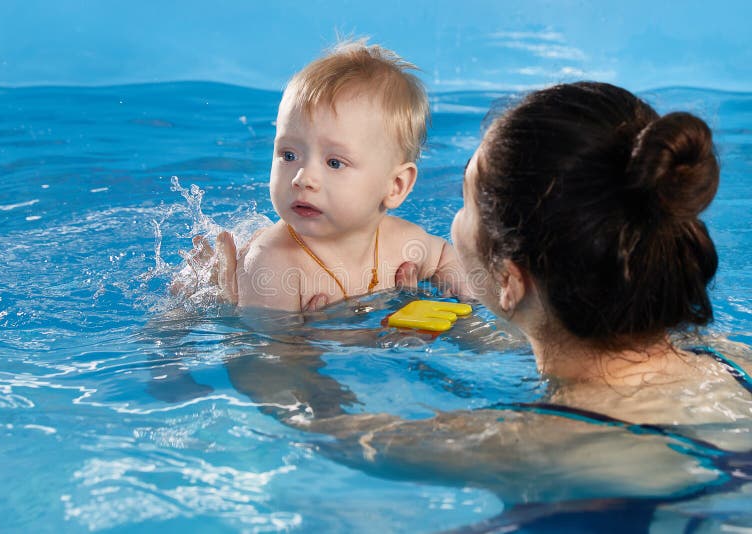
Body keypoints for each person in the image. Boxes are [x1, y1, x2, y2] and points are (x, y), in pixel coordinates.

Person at [221, 82, 752, 508]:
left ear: (510, 282)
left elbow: (327, 429)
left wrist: (226, 326)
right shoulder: (732, 359)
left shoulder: (528, 444)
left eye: (466, 202)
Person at [180, 40, 469, 311]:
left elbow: (446, 258)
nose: (303, 178)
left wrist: (462, 289)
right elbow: (266, 361)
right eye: (288, 155)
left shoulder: (403, 243)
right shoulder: (274, 264)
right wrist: (317, 336)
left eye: (334, 162)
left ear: (395, 186)